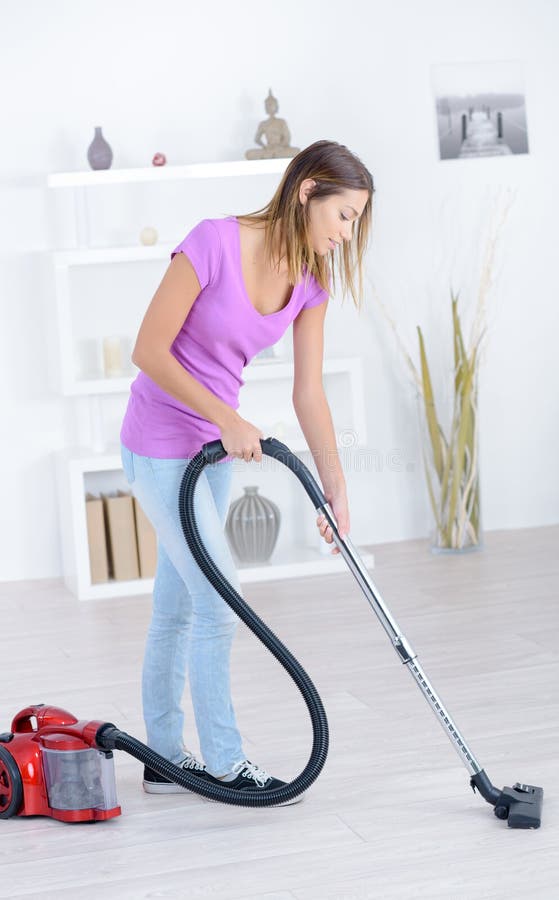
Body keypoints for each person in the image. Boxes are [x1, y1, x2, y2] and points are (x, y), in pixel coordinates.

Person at [119, 139, 375, 804]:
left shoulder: (310, 285)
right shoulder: (211, 242)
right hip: (158, 443)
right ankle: (226, 765)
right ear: (305, 192)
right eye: (344, 216)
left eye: (356, 222)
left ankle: (164, 757)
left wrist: (334, 491)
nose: (347, 234)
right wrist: (227, 419)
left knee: (178, 606)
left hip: (215, 453)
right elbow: (147, 349)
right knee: (217, 599)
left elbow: (309, 395)